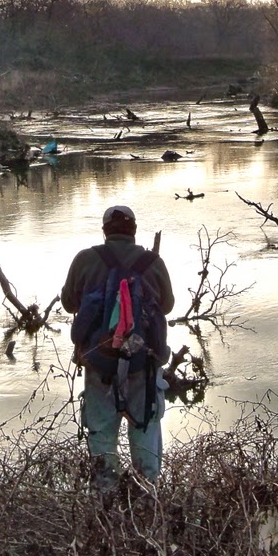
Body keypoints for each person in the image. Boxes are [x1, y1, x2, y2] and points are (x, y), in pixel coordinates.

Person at [61, 204, 175, 495]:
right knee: (145, 427)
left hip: (100, 362)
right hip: (143, 362)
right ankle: (147, 496)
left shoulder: (85, 259)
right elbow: (168, 305)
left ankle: (104, 499)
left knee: (101, 433)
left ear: (104, 231)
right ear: (134, 231)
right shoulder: (153, 262)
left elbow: (68, 303)